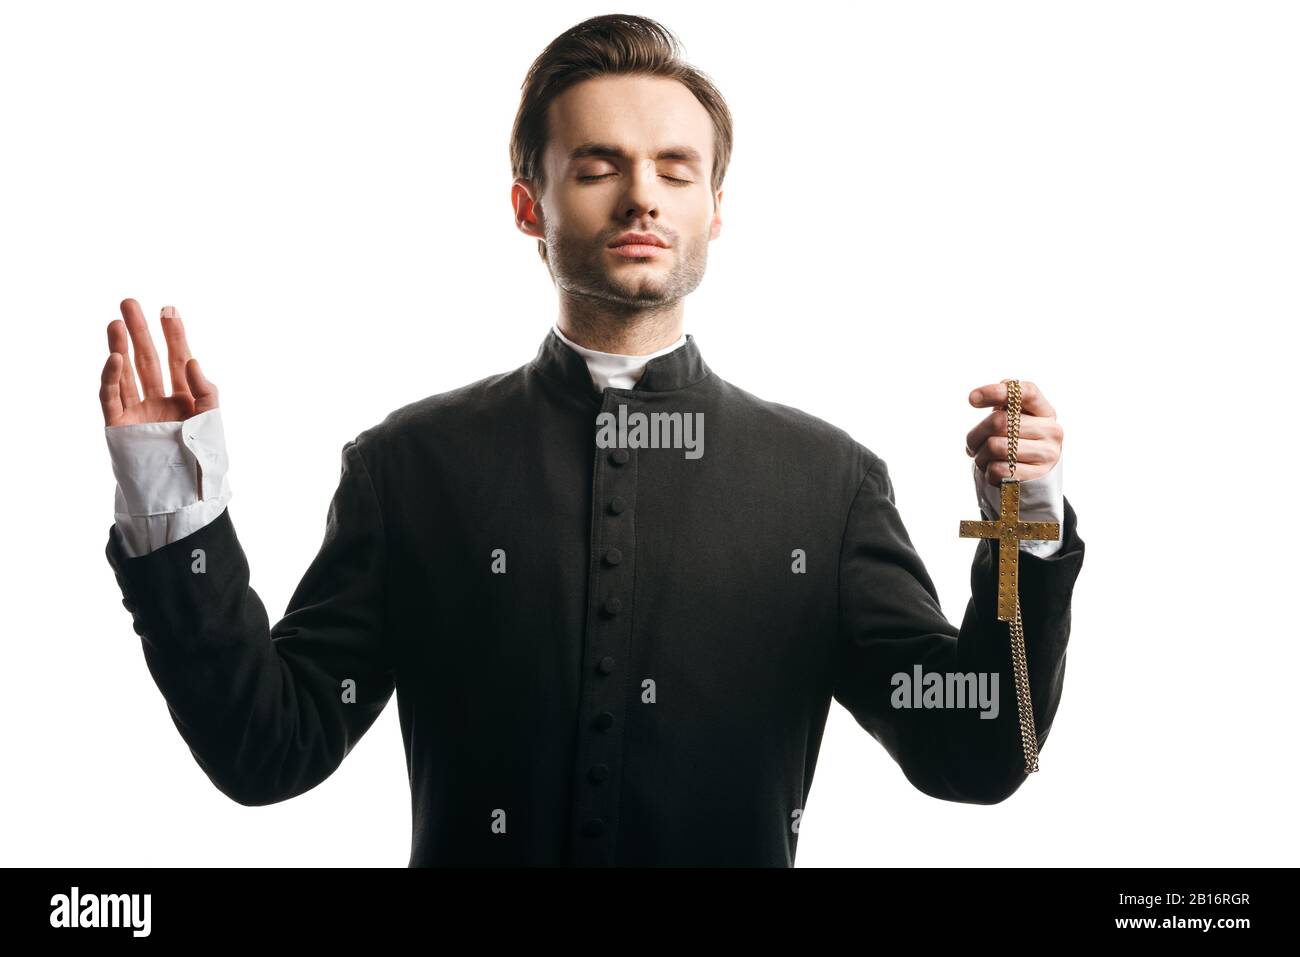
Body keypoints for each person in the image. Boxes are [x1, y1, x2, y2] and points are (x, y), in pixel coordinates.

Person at [100, 14, 1085, 867]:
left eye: (674, 168)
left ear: (715, 208)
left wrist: (1021, 529)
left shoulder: (826, 484)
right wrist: (171, 507)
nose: (642, 196)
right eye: (599, 165)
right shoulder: (408, 468)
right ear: (529, 205)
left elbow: (978, 753)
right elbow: (270, 750)